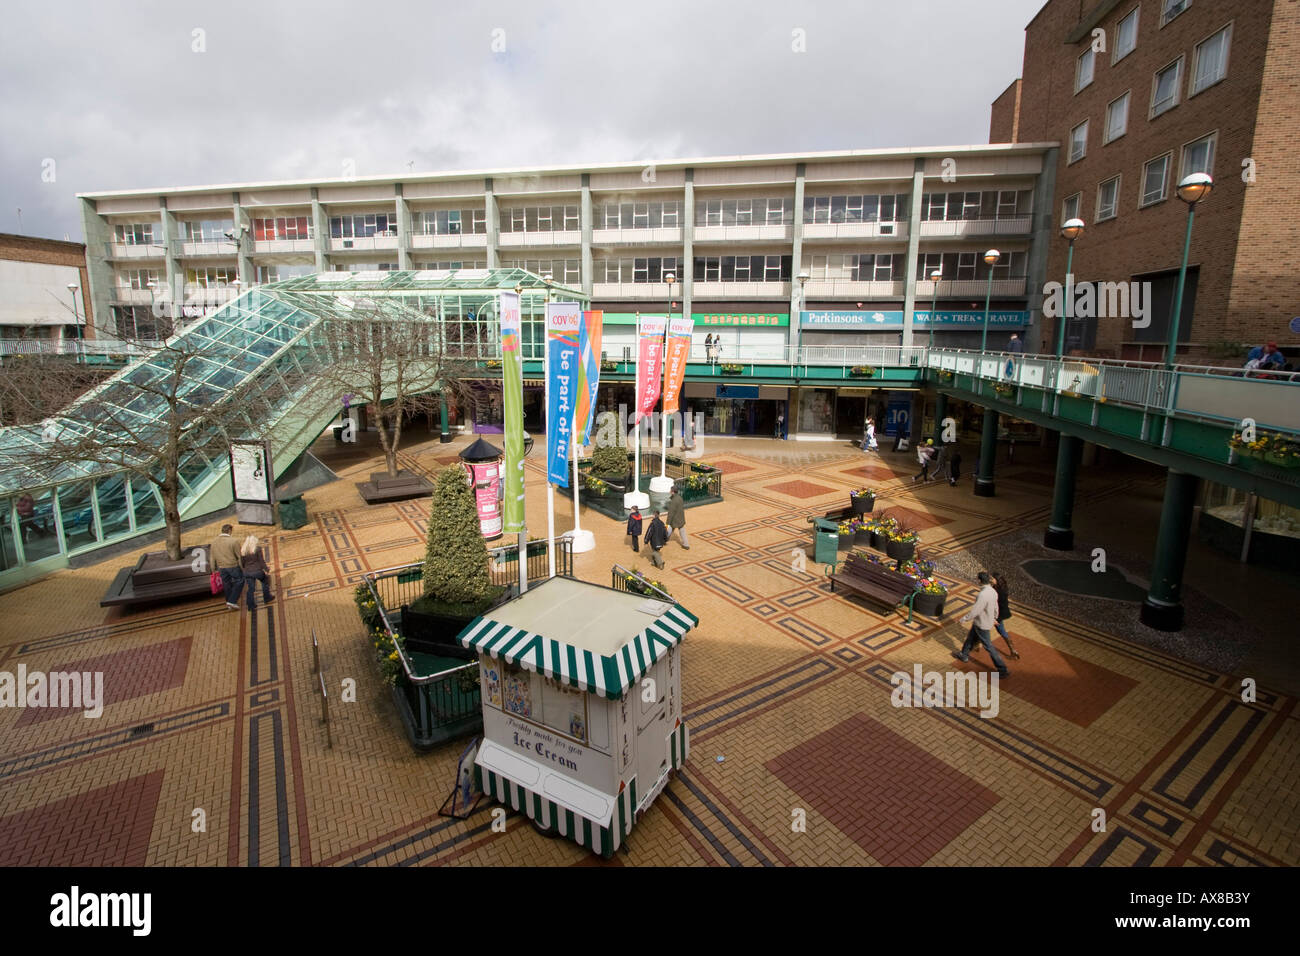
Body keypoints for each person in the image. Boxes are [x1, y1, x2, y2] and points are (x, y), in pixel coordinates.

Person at [953, 571, 1010, 678]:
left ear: (980, 580)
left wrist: (963, 619)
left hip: (982, 624)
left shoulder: (982, 595)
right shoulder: (993, 592)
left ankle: (1002, 669)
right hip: (984, 622)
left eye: (977, 579)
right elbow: (995, 607)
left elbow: (975, 611)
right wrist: (994, 617)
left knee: (988, 646)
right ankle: (963, 654)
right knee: (970, 638)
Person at [211, 523, 245, 611]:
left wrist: (213, 569)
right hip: (232, 566)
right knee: (240, 580)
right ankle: (232, 601)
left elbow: (212, 557)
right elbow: (239, 556)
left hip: (221, 567)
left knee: (226, 584)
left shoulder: (214, 542)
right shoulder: (234, 541)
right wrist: (242, 568)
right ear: (230, 531)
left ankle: (229, 602)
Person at [987, 571, 1020, 659]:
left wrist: (995, 618)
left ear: (997, 580)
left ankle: (1013, 651)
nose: (990, 579)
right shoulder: (1001, 588)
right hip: (998, 614)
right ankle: (1013, 651)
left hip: (997, 615)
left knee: (996, 630)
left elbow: (996, 604)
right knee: (999, 630)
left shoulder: (999, 592)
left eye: (992, 578)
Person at [239, 534, 275, 610]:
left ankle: (250, 605)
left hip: (248, 572)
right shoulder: (257, 549)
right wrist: (266, 569)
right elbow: (261, 561)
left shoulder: (243, 550)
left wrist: (244, 569)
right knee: (265, 582)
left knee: (251, 589)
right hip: (257, 571)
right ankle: (267, 597)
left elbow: (242, 563)